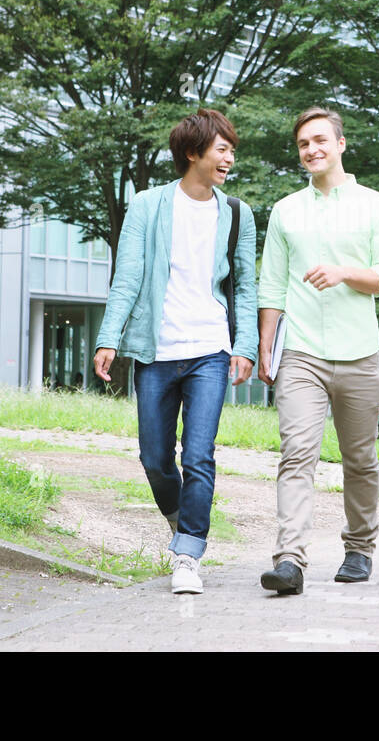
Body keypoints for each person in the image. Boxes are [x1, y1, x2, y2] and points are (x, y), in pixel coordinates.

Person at [92, 108, 258, 596]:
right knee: (155, 458)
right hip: (156, 351)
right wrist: (109, 337)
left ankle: (188, 552)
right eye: (222, 148)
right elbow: (127, 276)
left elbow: (245, 285)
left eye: (231, 149)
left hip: (210, 349)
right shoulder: (147, 205)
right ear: (194, 153)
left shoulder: (236, 213)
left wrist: (244, 344)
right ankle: (180, 520)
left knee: (200, 455)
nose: (229, 157)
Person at [256, 107, 379, 595]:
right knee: (296, 454)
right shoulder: (285, 211)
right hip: (300, 352)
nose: (312, 149)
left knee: (359, 458)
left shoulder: (376, 205)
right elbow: (272, 286)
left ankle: (359, 549)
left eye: (320, 140)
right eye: (303, 144)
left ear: (341, 143)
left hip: (360, 353)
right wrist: (265, 345)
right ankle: (290, 561)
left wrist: (342, 272)